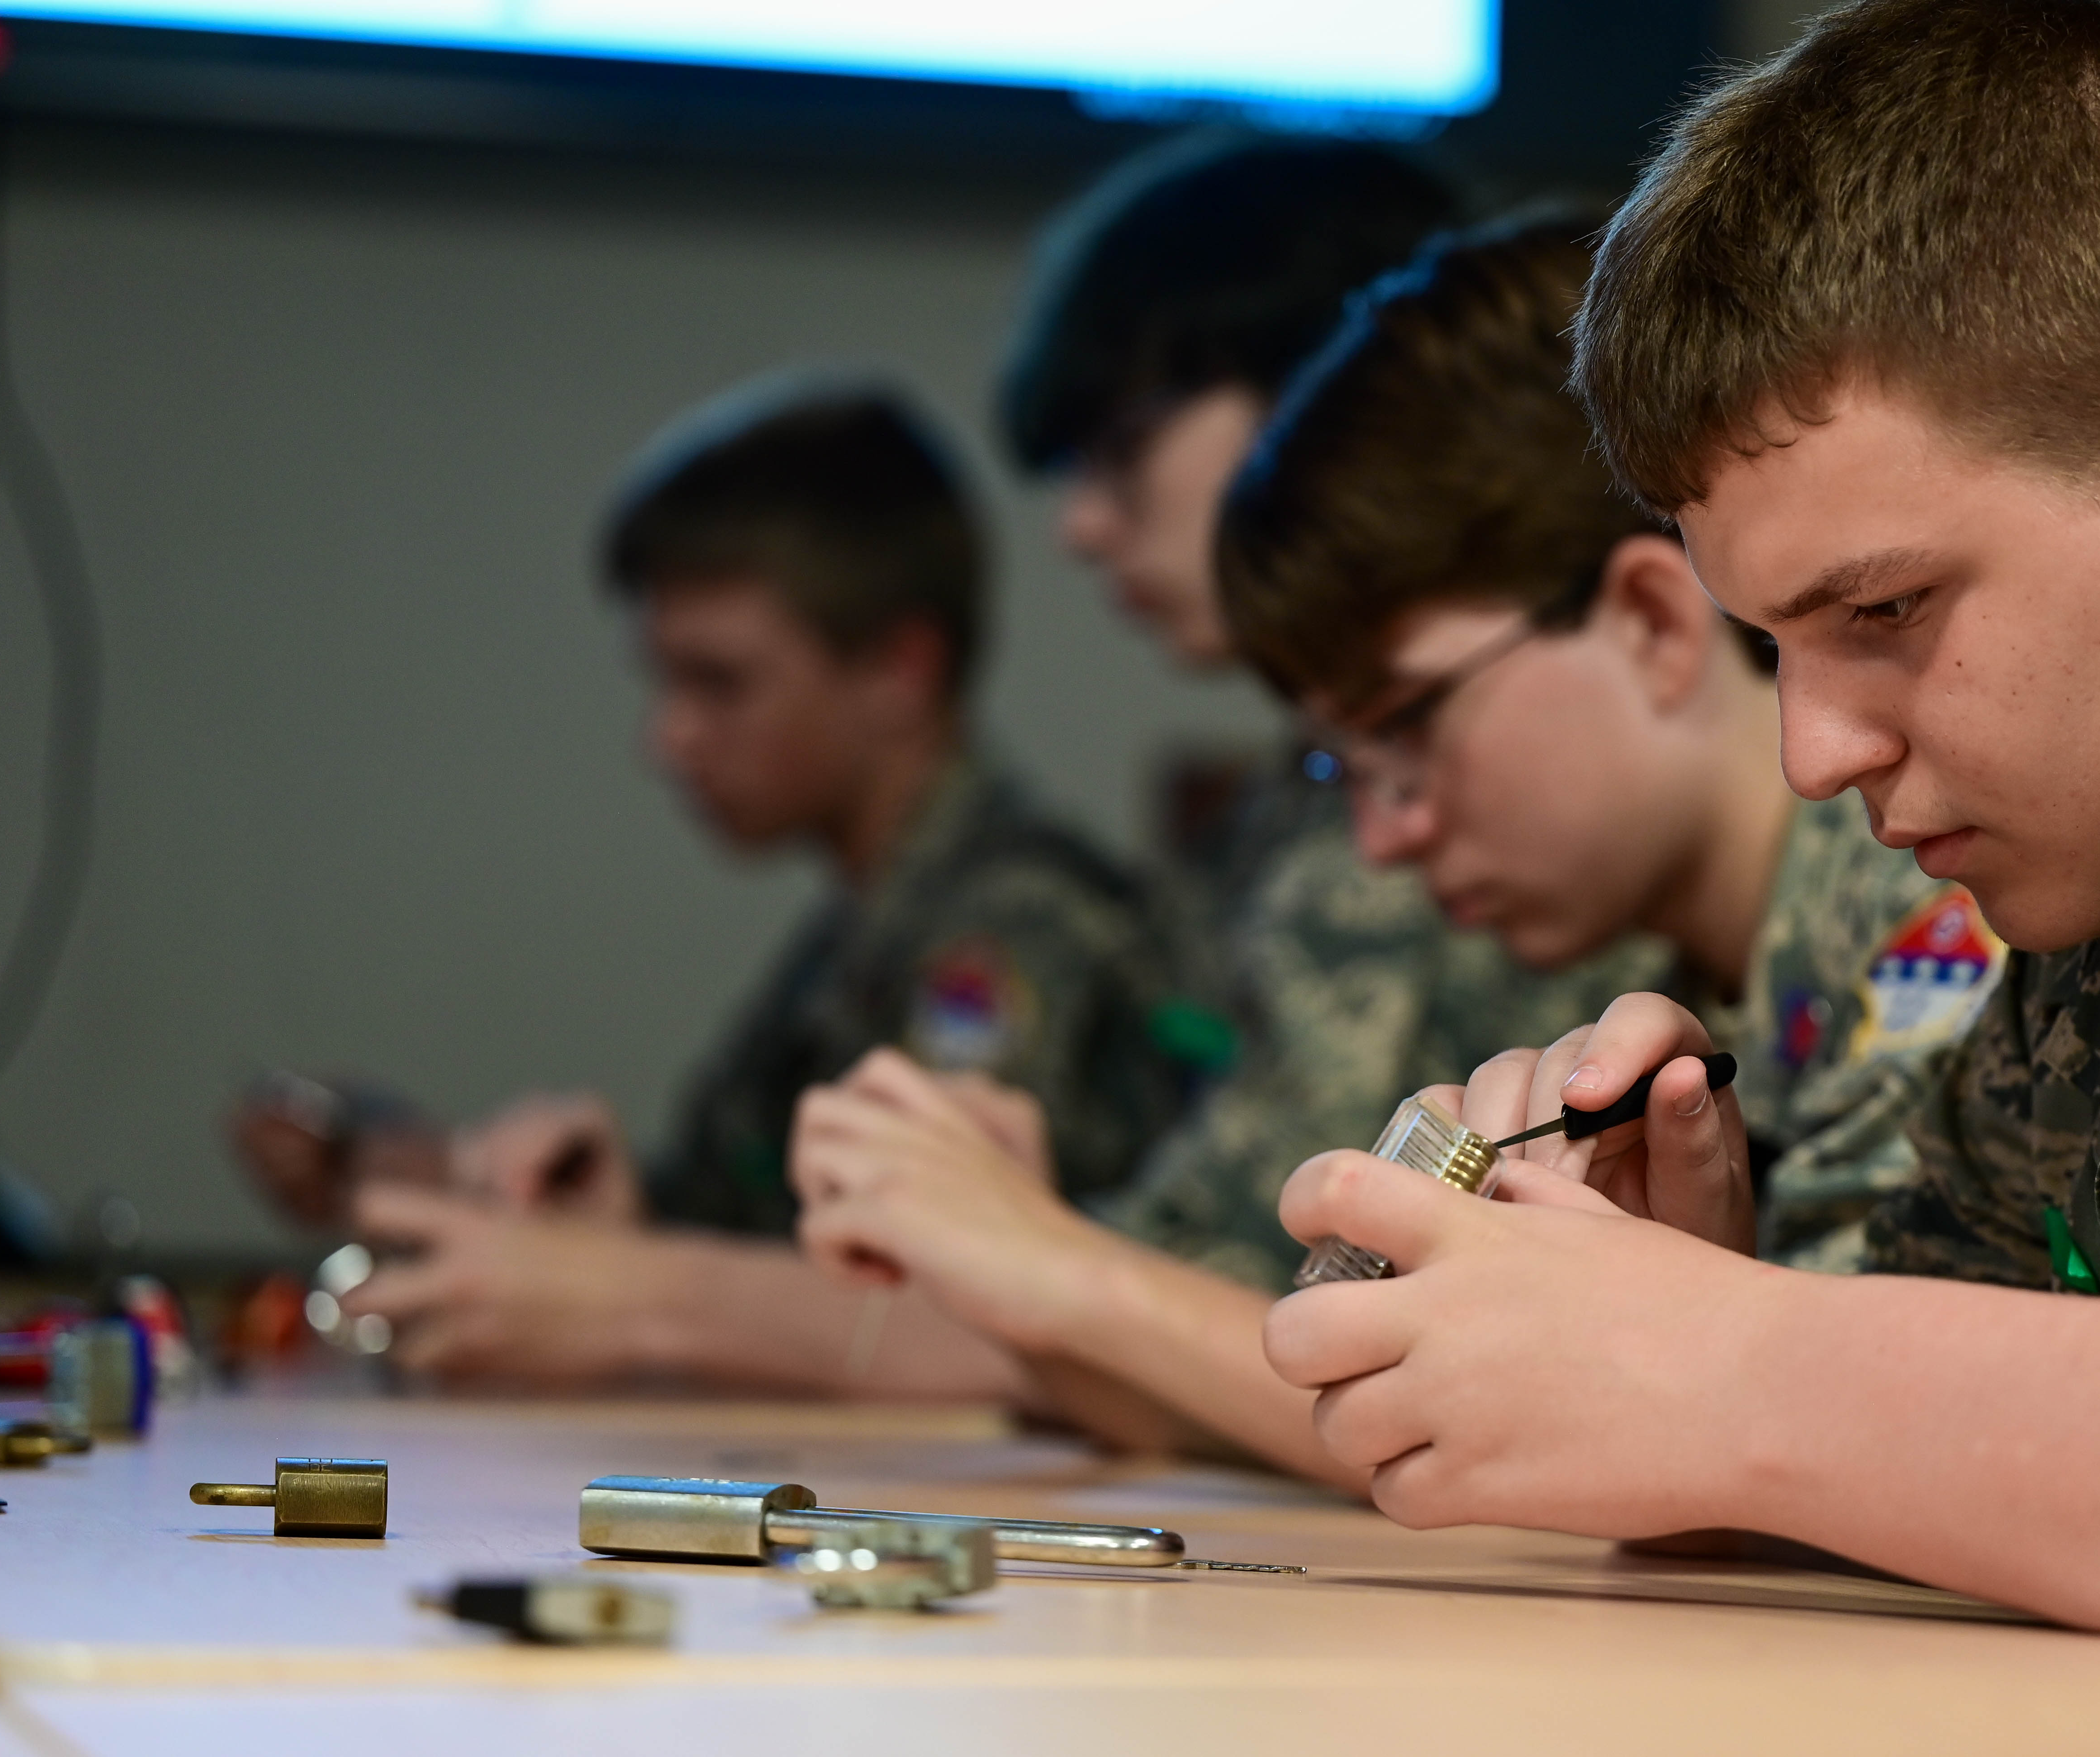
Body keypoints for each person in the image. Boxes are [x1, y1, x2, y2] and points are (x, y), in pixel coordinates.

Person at [1258, 0, 2100, 1656]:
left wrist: (1735, 1366)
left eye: (1886, 609)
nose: (1814, 752)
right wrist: (1668, 1356)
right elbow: (2002, 1490)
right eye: (1780, 644)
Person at [789, 218, 1987, 1482]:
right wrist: (1023, 1268)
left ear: (1648, 621)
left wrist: (1058, 1267)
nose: (1385, 831)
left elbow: (1825, 1455)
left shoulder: (1914, 896)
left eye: (1412, 726)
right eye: (1342, 769)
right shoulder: (1676, 961)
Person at [229, 378, 1183, 1395]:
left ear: (902, 668)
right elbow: (771, 1224)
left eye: (719, 682)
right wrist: (600, 1204)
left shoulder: (1009, 925)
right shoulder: (871, 920)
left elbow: (947, 1306)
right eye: (665, 683)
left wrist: (630, 1288)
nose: (668, 737)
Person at [1002, 135, 1667, 1295]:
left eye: (1125, 449)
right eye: (1352, 760)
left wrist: (1010, 1251)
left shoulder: (1512, 768)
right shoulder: (1331, 793)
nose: (1082, 526)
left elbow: (1272, 1279)